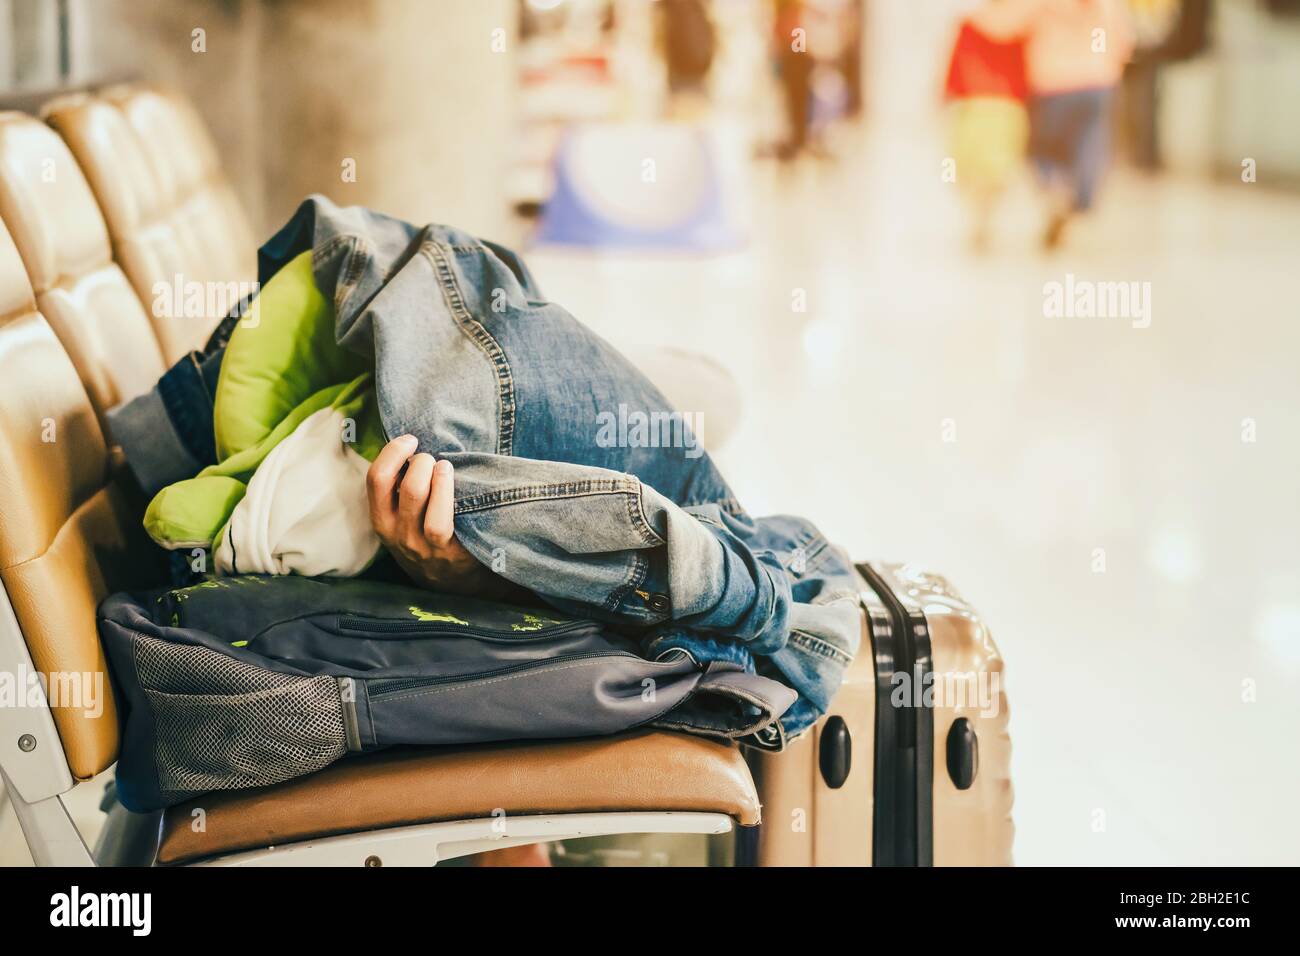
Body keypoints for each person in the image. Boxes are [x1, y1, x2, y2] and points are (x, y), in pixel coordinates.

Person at [972, 0, 1135, 247]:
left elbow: (1003, 27)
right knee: (1090, 144)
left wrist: (973, 18)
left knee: (1043, 149)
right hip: (1099, 80)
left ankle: (1055, 190)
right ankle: (1081, 197)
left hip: (1052, 82)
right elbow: (1124, 39)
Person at [943, 6, 1030, 251]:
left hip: (974, 103)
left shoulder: (970, 24)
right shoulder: (1021, 27)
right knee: (998, 170)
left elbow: (957, 62)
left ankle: (979, 216)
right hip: (1008, 105)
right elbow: (1025, 66)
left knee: (969, 168)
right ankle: (986, 215)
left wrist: (947, 93)